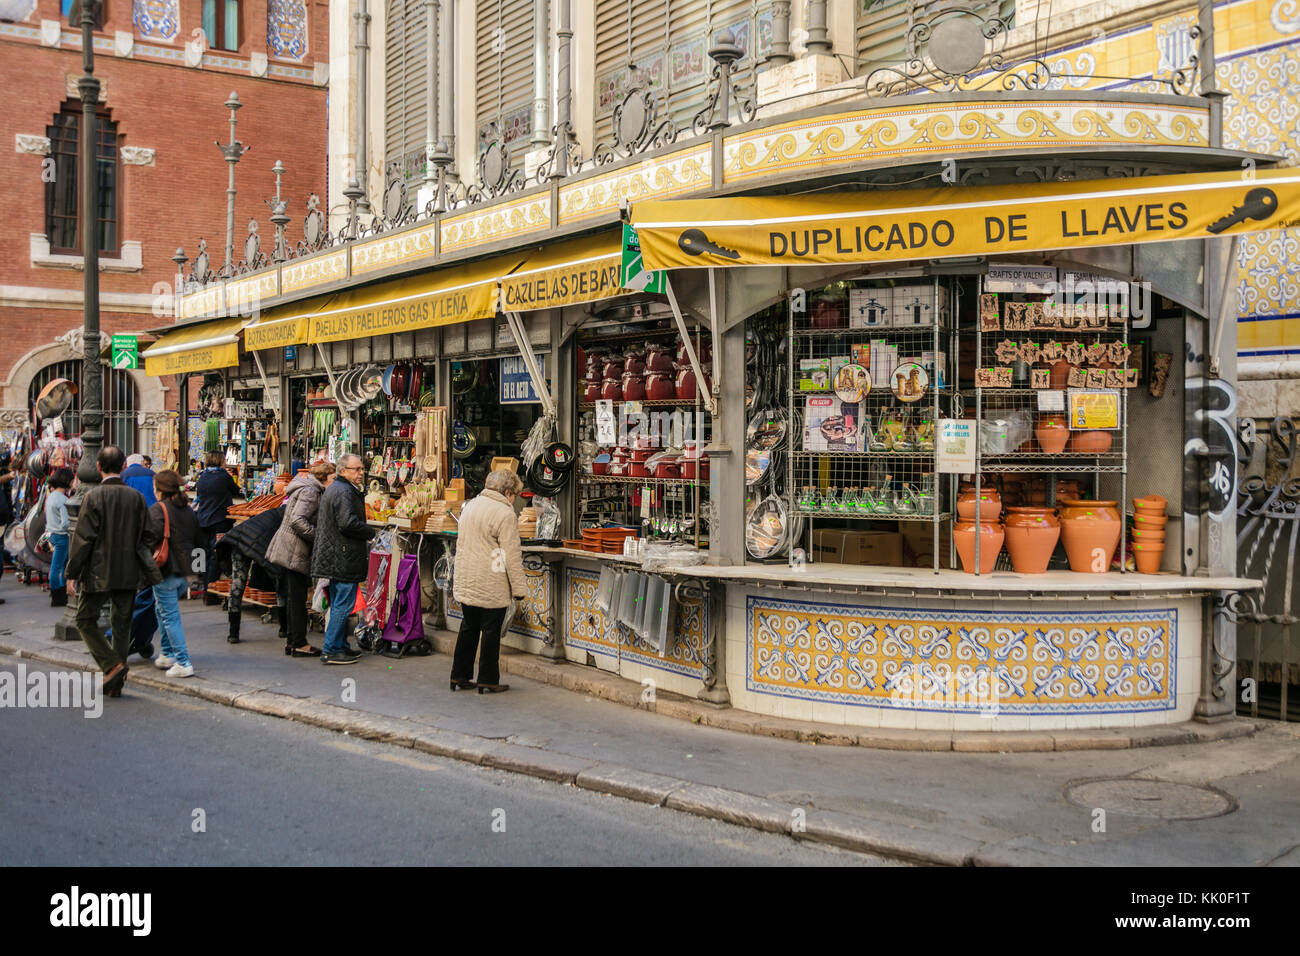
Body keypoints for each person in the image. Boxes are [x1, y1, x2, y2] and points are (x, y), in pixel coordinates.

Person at [66, 445, 163, 697]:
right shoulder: (136, 498)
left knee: (84, 620)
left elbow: (83, 539)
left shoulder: (93, 497)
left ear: (98, 467)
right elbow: (148, 535)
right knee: (121, 625)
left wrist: (72, 573)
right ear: (122, 467)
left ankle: (112, 666)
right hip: (128, 572)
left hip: (97, 572)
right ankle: (116, 681)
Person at [449, 468, 527, 694]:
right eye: (514, 495)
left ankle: (459, 676)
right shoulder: (505, 513)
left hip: (466, 578)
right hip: (491, 580)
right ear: (507, 492)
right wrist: (519, 589)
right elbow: (511, 555)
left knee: (469, 627)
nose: (514, 500)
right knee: (491, 631)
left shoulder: (470, 505)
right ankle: (487, 679)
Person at [310, 453, 374, 665]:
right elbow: (347, 523)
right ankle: (330, 650)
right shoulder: (343, 491)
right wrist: (369, 531)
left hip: (339, 554)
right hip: (343, 555)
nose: (360, 473)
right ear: (343, 471)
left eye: (361, 469)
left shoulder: (339, 489)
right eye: (356, 469)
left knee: (340, 601)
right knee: (343, 604)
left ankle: (340, 646)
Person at [266, 460, 335, 657]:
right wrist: (317, 535)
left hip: (292, 547)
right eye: (332, 479)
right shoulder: (312, 492)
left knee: (294, 595)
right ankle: (298, 643)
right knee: (297, 597)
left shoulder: (310, 489)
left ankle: (292, 640)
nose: (334, 483)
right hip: (295, 548)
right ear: (323, 478)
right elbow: (298, 520)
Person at [147, 469, 201, 677]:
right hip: (185, 573)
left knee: (169, 617)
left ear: (160, 490)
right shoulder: (188, 510)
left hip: (166, 571)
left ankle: (183, 661)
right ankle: (167, 653)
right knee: (162, 611)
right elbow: (199, 541)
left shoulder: (158, 509)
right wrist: (198, 573)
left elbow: (149, 539)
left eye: (154, 487)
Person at [216, 505, 286, 645]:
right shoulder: (283, 519)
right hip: (251, 542)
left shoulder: (273, 514)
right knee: (280, 578)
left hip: (239, 539)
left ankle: (233, 633)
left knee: (237, 585)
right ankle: (284, 628)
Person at [194, 451, 240, 588]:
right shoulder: (223, 476)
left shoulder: (202, 476)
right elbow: (236, 491)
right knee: (218, 554)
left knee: (206, 553)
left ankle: (204, 585)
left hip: (203, 519)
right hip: (219, 521)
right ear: (220, 461)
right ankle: (211, 588)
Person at [44, 467, 74, 607]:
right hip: (62, 536)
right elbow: (66, 523)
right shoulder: (63, 499)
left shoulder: (51, 496)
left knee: (58, 565)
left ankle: (58, 591)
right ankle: (57, 593)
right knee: (58, 566)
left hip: (53, 534)